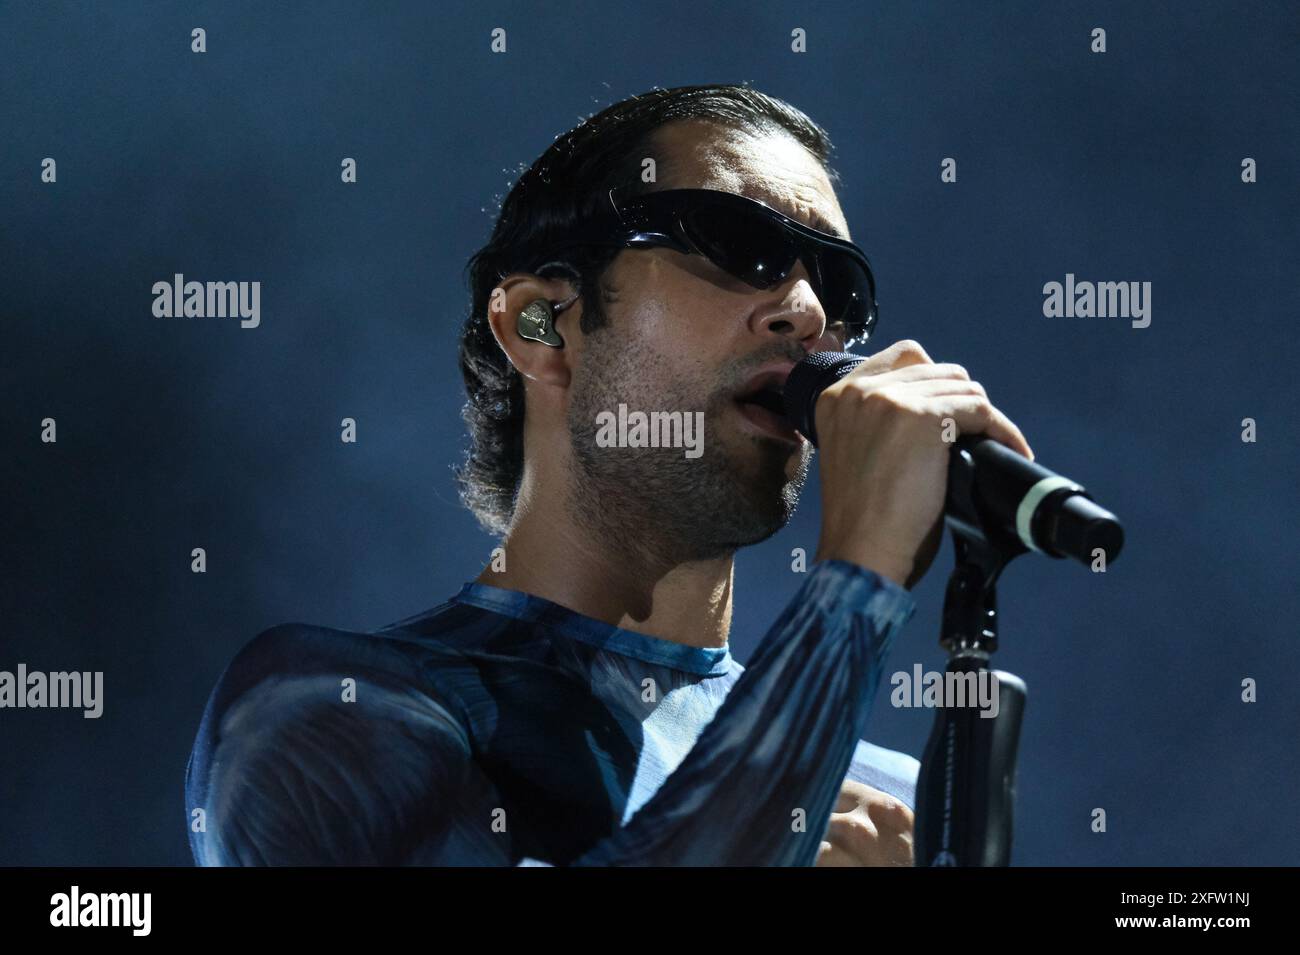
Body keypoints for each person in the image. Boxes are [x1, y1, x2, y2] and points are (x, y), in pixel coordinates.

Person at [185, 84, 1032, 866]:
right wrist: (859, 581)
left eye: (839, 283)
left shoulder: (889, 799)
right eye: (739, 244)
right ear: (539, 324)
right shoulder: (328, 710)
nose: (810, 315)